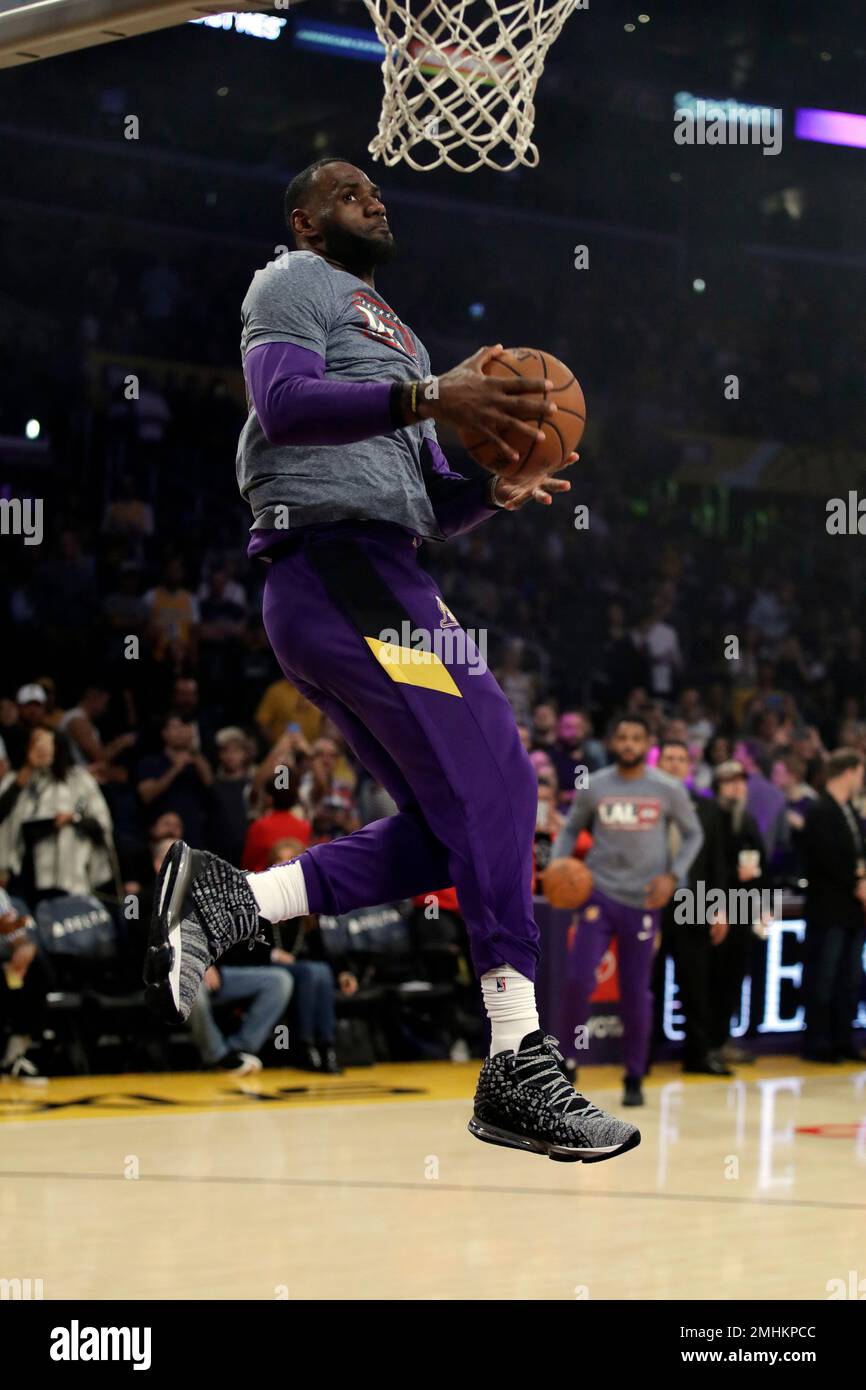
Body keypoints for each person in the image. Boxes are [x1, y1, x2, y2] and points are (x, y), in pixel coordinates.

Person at [145, 156, 638, 1163]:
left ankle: (232, 898)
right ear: (304, 218)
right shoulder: (289, 281)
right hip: (334, 563)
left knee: (464, 817)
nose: (370, 195)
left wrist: (495, 488)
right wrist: (429, 394)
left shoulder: (400, 332)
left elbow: (425, 507)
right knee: (499, 766)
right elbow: (282, 404)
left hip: (384, 569)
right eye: (344, 189)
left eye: (375, 188)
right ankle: (516, 1059)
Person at [551, 715, 704, 1105]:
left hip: (644, 900)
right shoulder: (597, 786)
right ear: (613, 741)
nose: (629, 743)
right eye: (623, 736)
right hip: (598, 896)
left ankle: (634, 1074)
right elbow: (570, 828)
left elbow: (693, 834)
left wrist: (674, 875)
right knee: (578, 979)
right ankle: (566, 1061)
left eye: (637, 737)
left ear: (647, 743)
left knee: (636, 992)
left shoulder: (667, 789)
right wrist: (558, 864)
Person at [656, 740, 732, 1077]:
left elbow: (718, 864)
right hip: (652, 904)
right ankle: (643, 1054)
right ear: (658, 764)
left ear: (689, 766)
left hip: (694, 903)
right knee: (650, 983)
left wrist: (720, 909)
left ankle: (698, 1054)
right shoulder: (645, 805)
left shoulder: (708, 809)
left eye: (680, 759)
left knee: (695, 984)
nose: (674, 764)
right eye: (668, 758)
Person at [799, 749, 866, 1063]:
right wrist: (857, 880)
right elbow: (826, 858)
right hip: (829, 908)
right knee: (823, 977)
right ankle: (818, 1040)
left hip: (852, 910)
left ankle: (843, 1038)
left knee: (849, 978)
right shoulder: (821, 810)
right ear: (850, 772)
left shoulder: (850, 810)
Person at [0, 729, 115, 904]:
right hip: (23, 874)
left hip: (70, 875)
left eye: (45, 743)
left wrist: (73, 818)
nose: (39, 748)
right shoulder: (18, 779)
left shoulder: (79, 779)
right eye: (35, 743)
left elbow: (102, 824)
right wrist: (29, 767)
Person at [708, 760, 765, 1066]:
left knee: (733, 978)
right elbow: (710, 865)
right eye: (730, 781)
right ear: (719, 786)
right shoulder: (713, 817)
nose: (736, 786)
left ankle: (722, 1040)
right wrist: (733, 874)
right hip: (716, 907)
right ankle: (709, 1043)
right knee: (715, 978)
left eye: (740, 781)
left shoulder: (748, 819)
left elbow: (762, 863)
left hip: (744, 908)